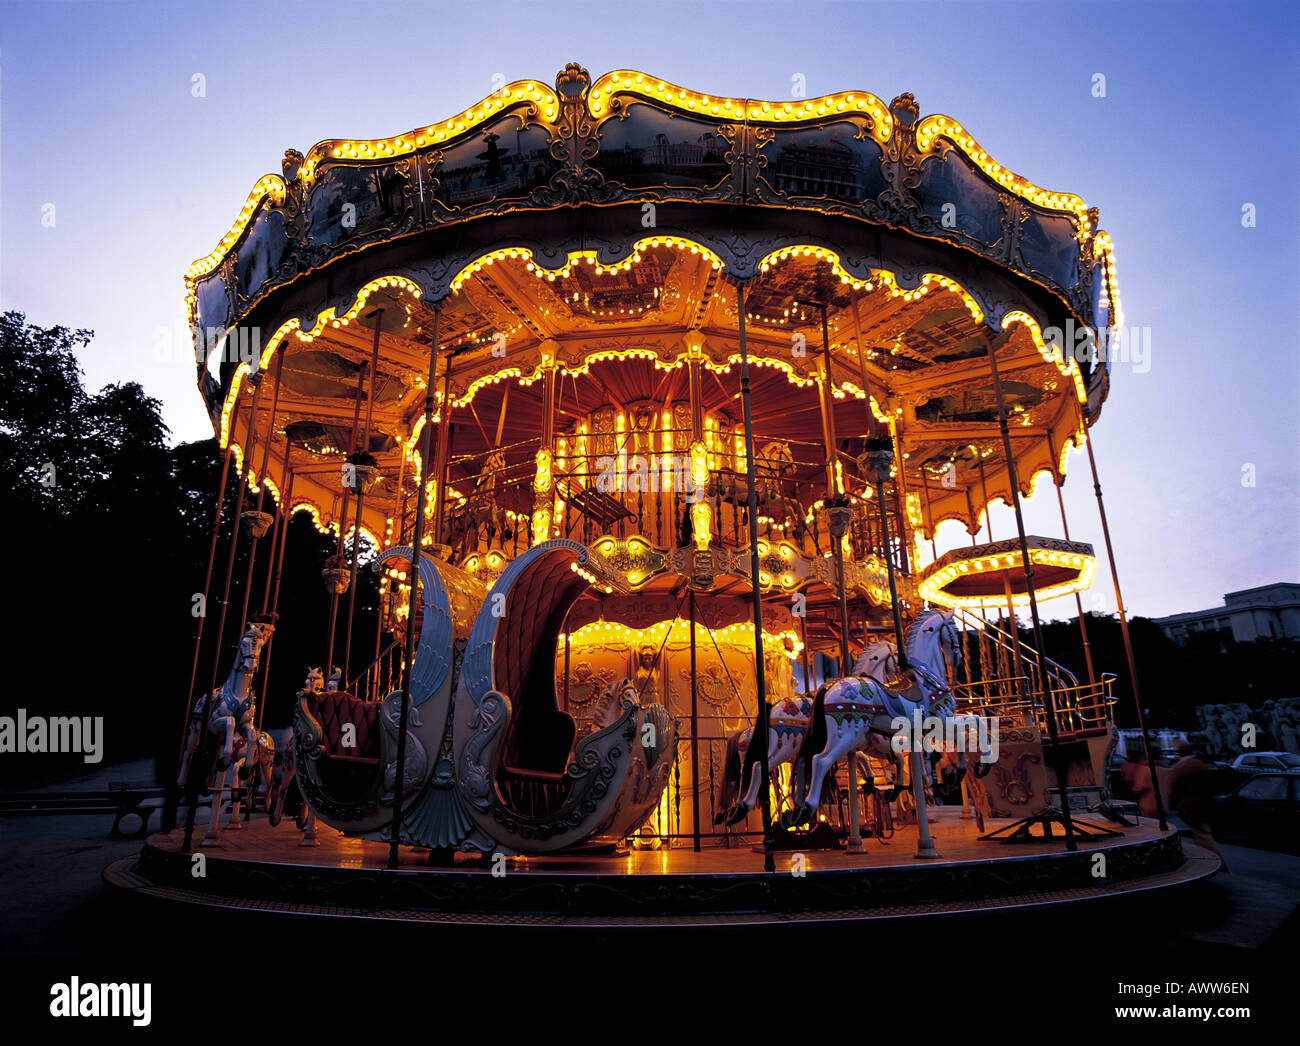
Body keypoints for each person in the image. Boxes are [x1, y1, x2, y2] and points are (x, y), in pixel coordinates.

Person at [1167, 741, 1230, 872]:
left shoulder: (1179, 768)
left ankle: (1219, 866)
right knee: (1202, 835)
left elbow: (1174, 789)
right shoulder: (1200, 764)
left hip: (1191, 807)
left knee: (1203, 837)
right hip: (1205, 804)